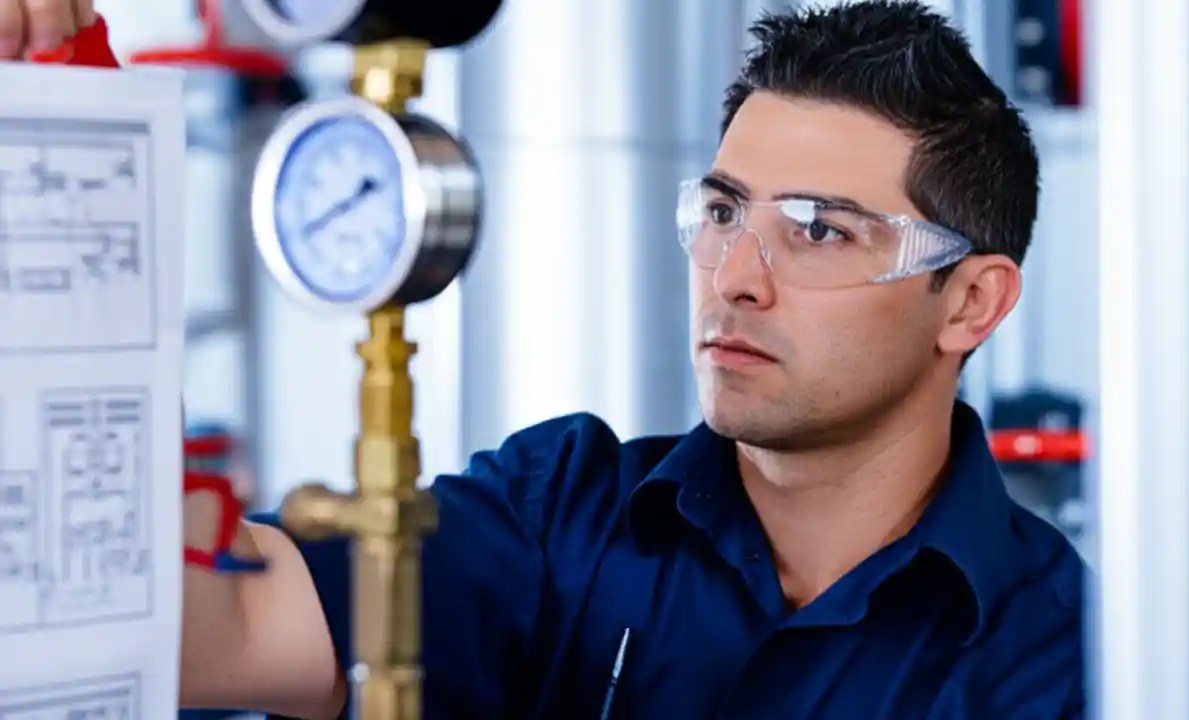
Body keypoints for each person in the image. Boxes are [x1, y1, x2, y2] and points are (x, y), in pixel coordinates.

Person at [9, 0, 1085, 717]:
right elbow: (204, 626)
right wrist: (61, 137)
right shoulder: (560, 512)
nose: (735, 276)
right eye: (720, 211)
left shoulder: (1066, 655)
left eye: (816, 229)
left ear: (972, 302)